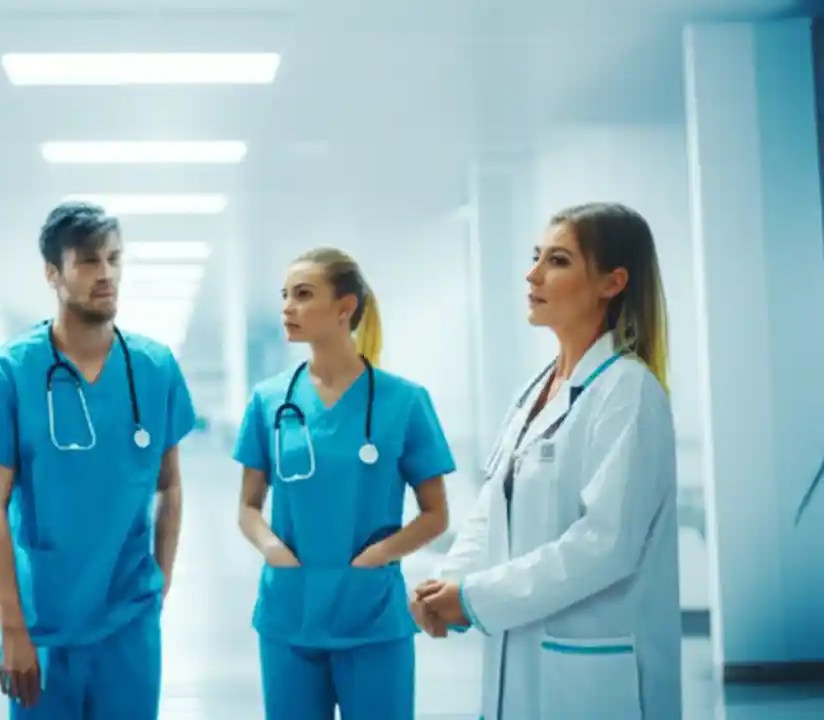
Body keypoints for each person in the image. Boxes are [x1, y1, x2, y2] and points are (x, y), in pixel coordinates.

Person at [411, 202, 681, 720]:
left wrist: (475, 597)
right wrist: (452, 581)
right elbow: (495, 505)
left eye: (557, 261)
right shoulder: (538, 390)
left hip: (593, 674)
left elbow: (605, 544)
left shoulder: (628, 392)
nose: (532, 275)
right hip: (521, 659)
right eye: (536, 257)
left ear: (612, 282)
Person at [0, 201, 196, 719]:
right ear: (53, 273)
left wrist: (161, 583)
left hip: (128, 620)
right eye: (88, 261)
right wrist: (13, 627)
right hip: (42, 621)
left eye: (114, 258)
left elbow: (170, 486)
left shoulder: (155, 369)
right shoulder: (10, 373)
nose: (106, 273)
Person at [233, 247, 455, 720]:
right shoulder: (269, 400)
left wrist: (380, 555)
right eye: (285, 296)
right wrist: (273, 549)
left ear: (345, 307)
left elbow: (437, 513)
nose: (287, 307)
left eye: (303, 294)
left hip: (370, 614)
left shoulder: (405, 401)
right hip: (290, 612)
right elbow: (248, 508)